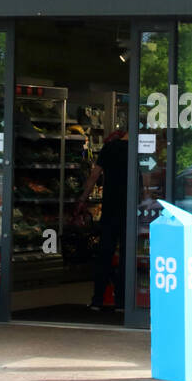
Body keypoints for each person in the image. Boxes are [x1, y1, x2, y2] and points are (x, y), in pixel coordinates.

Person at [74, 129, 128, 311]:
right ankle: (122, 301)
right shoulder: (138, 150)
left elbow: (94, 176)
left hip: (110, 209)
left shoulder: (109, 149)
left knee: (105, 255)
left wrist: (83, 199)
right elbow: (146, 177)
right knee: (126, 258)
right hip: (129, 211)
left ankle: (98, 299)